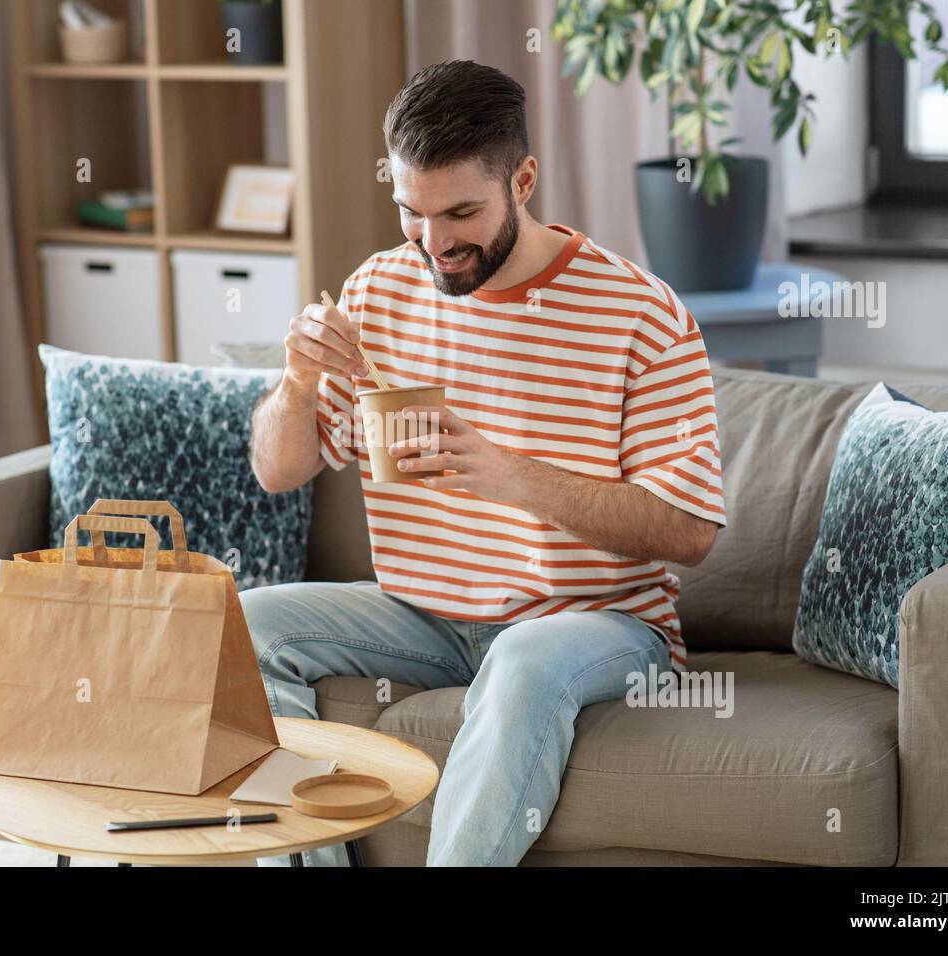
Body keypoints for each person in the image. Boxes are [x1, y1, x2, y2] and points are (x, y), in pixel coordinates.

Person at [244, 59, 727, 866]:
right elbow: (277, 471)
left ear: (524, 179)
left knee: (524, 657)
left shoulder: (642, 315)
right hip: (421, 615)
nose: (434, 244)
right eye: (411, 212)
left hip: (595, 623)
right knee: (248, 624)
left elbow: (688, 532)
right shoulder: (380, 291)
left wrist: (509, 474)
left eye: (461, 212)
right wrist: (296, 384)